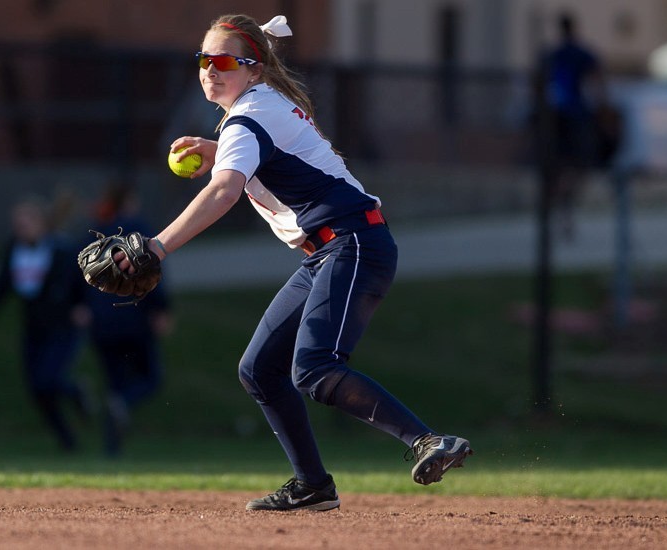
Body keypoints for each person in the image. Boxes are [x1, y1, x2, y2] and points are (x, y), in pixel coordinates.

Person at [120, 14, 472, 511]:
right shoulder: (255, 111)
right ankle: (312, 485)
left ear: (255, 70)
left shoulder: (249, 115)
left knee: (313, 368)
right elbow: (277, 157)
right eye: (204, 60)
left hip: (352, 243)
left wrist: (156, 247)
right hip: (333, 248)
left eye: (224, 61)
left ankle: (428, 441)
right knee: (260, 369)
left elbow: (224, 191)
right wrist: (217, 148)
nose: (210, 70)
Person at [0, 196, 91, 451]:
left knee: (48, 379)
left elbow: (82, 282)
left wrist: (83, 307)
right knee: (37, 389)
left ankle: (76, 391)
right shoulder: (15, 249)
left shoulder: (61, 250)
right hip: (34, 329)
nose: (20, 229)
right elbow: (2, 283)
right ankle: (67, 440)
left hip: (62, 327)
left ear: (41, 224)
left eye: (26, 224)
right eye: (18, 225)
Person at [83, 185, 172, 456]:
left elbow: (80, 273)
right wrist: (161, 309)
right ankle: (123, 403)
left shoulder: (97, 229)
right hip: (134, 320)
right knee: (151, 378)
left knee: (114, 386)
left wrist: (79, 306)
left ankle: (112, 451)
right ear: (129, 201)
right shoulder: (137, 228)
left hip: (101, 323)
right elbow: (153, 271)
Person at [532, 13, 606, 240]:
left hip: (554, 116)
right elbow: (597, 80)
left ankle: (558, 209)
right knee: (579, 165)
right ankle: (563, 207)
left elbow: (536, 82)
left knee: (557, 168)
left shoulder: (551, 54)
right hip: (573, 116)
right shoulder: (576, 53)